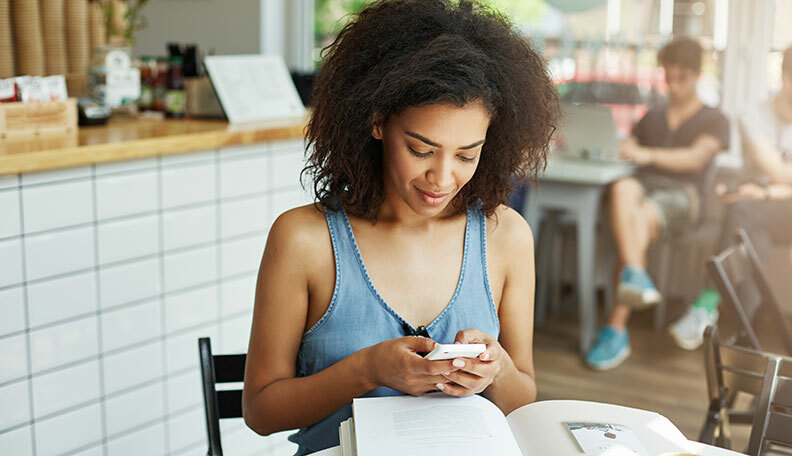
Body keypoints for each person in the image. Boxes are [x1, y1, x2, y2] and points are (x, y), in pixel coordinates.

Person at [241, 1, 559, 454]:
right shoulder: (304, 240)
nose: (443, 177)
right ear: (377, 122)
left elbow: (521, 398)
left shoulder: (505, 236)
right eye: (421, 149)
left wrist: (497, 371)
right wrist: (368, 370)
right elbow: (260, 412)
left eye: (467, 154)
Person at [585, 36, 730, 370]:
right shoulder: (653, 116)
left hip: (683, 197)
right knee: (622, 187)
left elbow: (695, 159)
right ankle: (635, 275)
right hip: (641, 188)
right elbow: (627, 147)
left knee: (636, 217)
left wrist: (646, 153)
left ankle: (616, 328)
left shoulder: (715, 119)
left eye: (682, 78)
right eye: (670, 77)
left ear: (697, 75)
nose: (674, 86)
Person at [669, 44, 792, 350]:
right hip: (760, 215)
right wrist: (762, 192)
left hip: (773, 206)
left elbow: (776, 176)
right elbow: (773, 167)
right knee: (750, 238)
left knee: (746, 211)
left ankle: (707, 304)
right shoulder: (753, 114)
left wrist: (765, 192)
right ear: (785, 75)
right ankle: (744, 339)